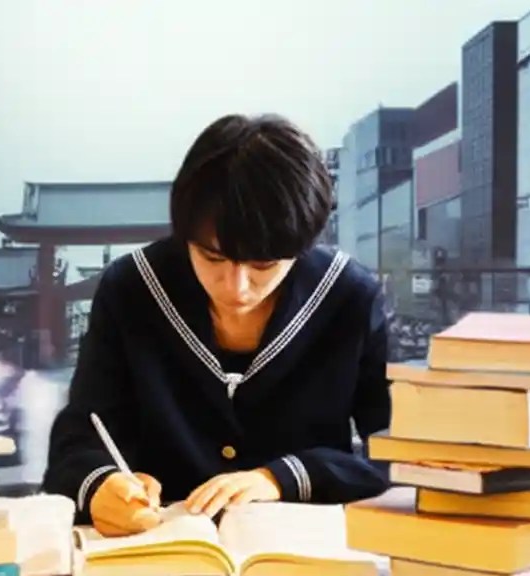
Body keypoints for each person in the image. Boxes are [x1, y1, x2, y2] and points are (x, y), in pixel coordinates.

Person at [43, 114, 390, 538]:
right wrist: (100, 485)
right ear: (185, 234)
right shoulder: (132, 288)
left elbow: (398, 453)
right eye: (212, 258)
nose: (237, 287)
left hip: (299, 557)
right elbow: (79, 435)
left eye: (263, 264)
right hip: (159, 555)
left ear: (301, 245)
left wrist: (279, 479)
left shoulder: (348, 296)